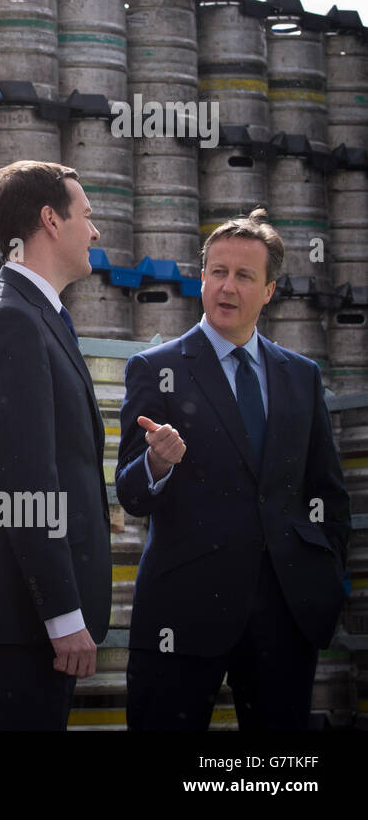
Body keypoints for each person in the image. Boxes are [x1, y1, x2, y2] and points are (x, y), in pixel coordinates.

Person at [115, 209, 350, 730]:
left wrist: (327, 581)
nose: (227, 286)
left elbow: (327, 493)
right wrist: (155, 462)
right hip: (182, 614)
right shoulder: (158, 369)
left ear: (269, 291)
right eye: (217, 272)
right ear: (202, 278)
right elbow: (130, 492)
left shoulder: (300, 377)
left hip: (284, 617)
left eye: (244, 276)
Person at [0, 160, 111, 730]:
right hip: (16, 622)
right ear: (50, 220)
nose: (95, 231)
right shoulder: (12, 321)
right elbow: (27, 487)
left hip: (23, 621)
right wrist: (62, 615)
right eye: (86, 216)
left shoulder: (37, 316)